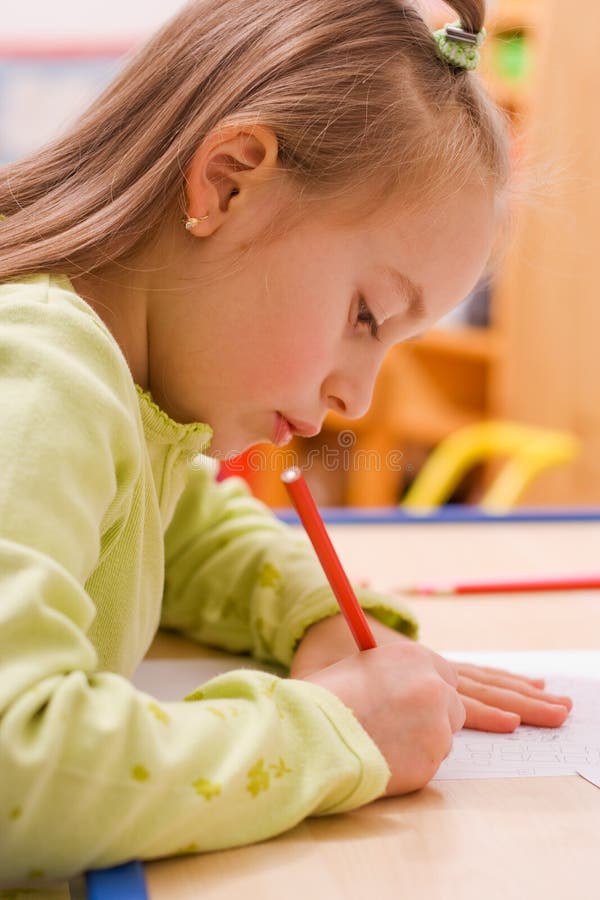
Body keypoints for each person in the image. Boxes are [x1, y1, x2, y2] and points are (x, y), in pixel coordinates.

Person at [0, 0, 572, 887]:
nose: (357, 398)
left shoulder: (121, 394)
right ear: (227, 182)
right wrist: (333, 731)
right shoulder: (41, 376)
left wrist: (318, 619)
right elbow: (17, 765)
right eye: (366, 315)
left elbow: (181, 535)